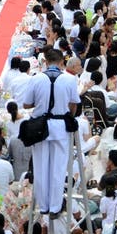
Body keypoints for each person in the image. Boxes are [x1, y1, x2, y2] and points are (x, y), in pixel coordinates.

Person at [23, 47, 80, 217]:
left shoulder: (36, 79)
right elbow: (74, 104)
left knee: (40, 166)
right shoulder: (69, 80)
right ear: (62, 62)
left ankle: (43, 205)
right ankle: (55, 206)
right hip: (61, 125)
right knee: (58, 167)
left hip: (40, 126)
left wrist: (41, 103)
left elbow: (26, 104)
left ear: (45, 62)